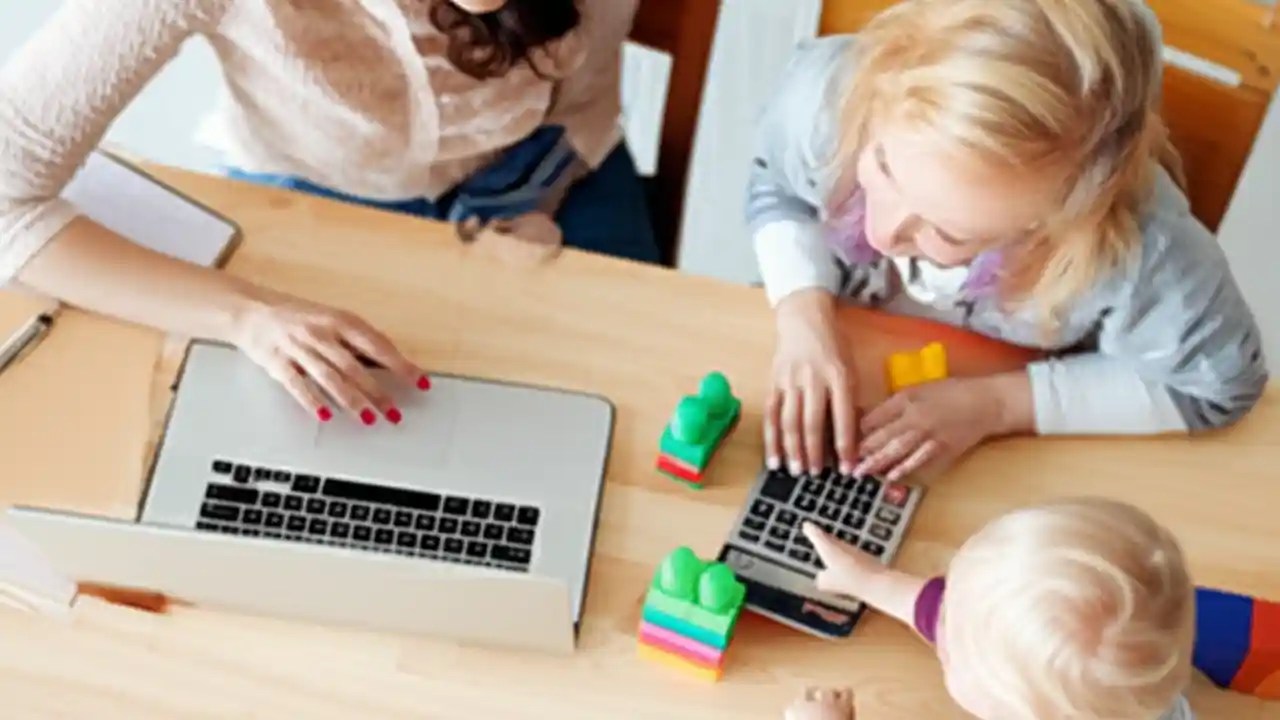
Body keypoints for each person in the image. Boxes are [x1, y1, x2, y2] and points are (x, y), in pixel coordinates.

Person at [0, 0, 653, 425]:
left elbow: (587, 89)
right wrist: (247, 316)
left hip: (554, 170)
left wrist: (545, 195)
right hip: (311, 193)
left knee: (630, 421)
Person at [747, 0, 1269, 482]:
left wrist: (998, 405)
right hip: (848, 340)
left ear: (1056, 226)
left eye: (950, 232)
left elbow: (1218, 388)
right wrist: (802, 318)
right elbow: (777, 183)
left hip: (1008, 437)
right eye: (881, 166)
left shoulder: (1136, 254)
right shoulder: (824, 102)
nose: (881, 232)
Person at [789, 497, 1197, 719]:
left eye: (952, 645)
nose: (942, 623)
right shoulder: (1132, 695)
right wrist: (872, 582)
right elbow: (988, 632)